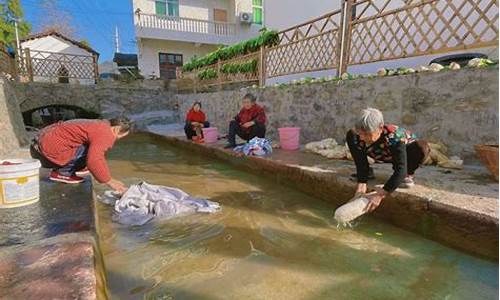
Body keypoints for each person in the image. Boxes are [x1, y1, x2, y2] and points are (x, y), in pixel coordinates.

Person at [346, 108, 430, 212]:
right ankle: (368, 172)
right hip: (378, 153)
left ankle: (409, 173)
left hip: (402, 155)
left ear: (380, 128)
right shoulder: (355, 135)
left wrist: (380, 195)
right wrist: (361, 186)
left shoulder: (395, 136)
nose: (362, 137)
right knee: (355, 138)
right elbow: (359, 160)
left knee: (422, 148)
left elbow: (400, 170)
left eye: (367, 134)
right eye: (361, 134)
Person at [30, 117, 131, 194]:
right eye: (121, 136)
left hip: (38, 147)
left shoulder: (99, 124)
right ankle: (63, 173)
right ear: (116, 129)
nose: (117, 139)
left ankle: (76, 167)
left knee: (92, 147)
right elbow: (95, 159)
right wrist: (109, 180)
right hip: (45, 153)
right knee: (92, 152)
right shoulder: (106, 133)